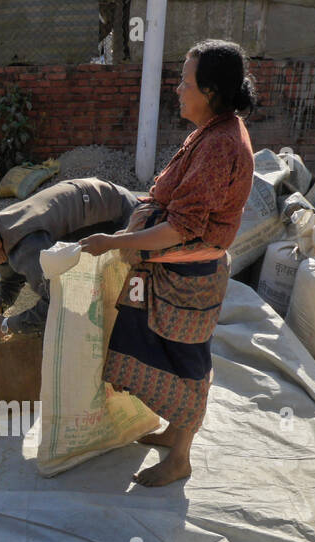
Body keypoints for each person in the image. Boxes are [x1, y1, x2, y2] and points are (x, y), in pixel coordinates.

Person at [80, 40, 256, 487]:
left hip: (189, 276)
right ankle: (177, 429)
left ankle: (181, 457)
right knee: (153, 341)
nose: (178, 89)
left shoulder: (221, 146)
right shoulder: (211, 131)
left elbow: (180, 227)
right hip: (172, 272)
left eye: (186, 82)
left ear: (212, 92)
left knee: (184, 359)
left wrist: (118, 241)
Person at [0, 178, 139, 339]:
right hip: (97, 201)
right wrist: (0, 303)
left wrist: (6, 326)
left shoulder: (27, 244)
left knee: (121, 302)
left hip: (123, 214)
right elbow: (10, 278)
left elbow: (56, 305)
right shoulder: (2, 230)